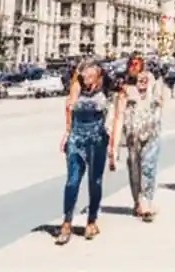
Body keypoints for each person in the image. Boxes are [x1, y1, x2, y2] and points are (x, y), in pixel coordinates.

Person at [56, 62, 111, 245]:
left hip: (97, 140)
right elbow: (69, 108)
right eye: (84, 76)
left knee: (95, 182)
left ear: (98, 76)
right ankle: (66, 222)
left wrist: (114, 145)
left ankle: (92, 220)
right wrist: (67, 132)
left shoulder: (107, 87)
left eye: (90, 76)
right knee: (72, 181)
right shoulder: (76, 87)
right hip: (77, 138)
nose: (86, 79)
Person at [111, 56, 164, 221]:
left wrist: (151, 89)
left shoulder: (155, 86)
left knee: (149, 165)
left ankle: (146, 202)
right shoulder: (125, 90)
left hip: (151, 133)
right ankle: (138, 201)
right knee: (135, 168)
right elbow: (118, 118)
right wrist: (114, 148)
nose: (141, 78)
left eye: (141, 71)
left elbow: (160, 105)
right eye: (133, 68)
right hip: (133, 137)